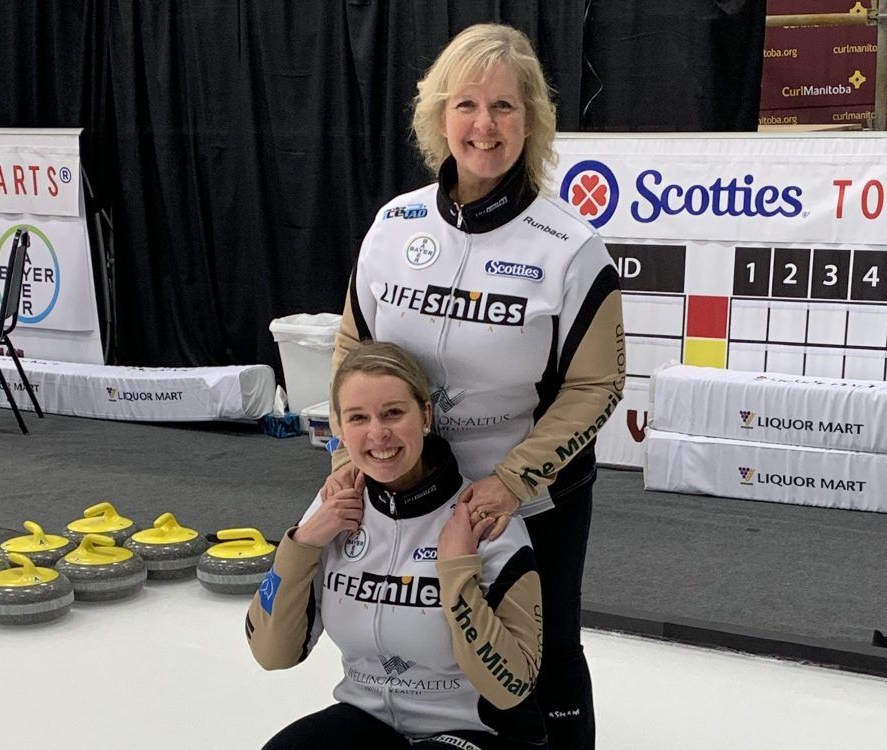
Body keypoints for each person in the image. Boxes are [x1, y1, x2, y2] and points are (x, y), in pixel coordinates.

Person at [323, 23, 625, 750]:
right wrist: (348, 462)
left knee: (545, 656)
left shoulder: (570, 246)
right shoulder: (393, 225)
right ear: (438, 116)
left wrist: (512, 483)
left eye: (504, 108)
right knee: (420, 645)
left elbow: (598, 385)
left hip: (529, 499)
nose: (483, 126)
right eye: (466, 105)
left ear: (532, 122)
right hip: (407, 486)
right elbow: (350, 351)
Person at [247, 341, 546, 750]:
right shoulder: (333, 508)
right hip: (367, 716)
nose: (377, 434)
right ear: (339, 425)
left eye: (393, 413)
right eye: (357, 417)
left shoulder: (483, 518)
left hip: (475, 728)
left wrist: (457, 571)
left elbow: (511, 686)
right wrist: (302, 544)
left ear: (425, 415)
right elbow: (272, 653)